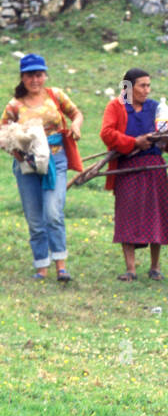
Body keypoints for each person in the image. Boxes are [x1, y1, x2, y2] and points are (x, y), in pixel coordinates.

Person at [1, 53, 83, 282]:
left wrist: (75, 126)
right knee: (35, 218)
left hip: (56, 160)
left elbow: (76, 113)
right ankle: (41, 266)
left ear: (45, 75)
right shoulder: (14, 105)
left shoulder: (55, 96)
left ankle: (61, 265)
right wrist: (14, 147)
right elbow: (3, 133)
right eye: (30, 75)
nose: (35, 80)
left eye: (39, 74)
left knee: (53, 213)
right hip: (27, 165)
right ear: (22, 77)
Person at [100, 67, 168, 281]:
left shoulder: (156, 108)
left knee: (156, 213)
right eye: (142, 85)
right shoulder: (116, 107)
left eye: (148, 85)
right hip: (128, 168)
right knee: (127, 215)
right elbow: (107, 133)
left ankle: (155, 267)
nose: (147, 90)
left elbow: (166, 141)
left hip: (154, 168)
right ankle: (130, 269)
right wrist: (134, 142)